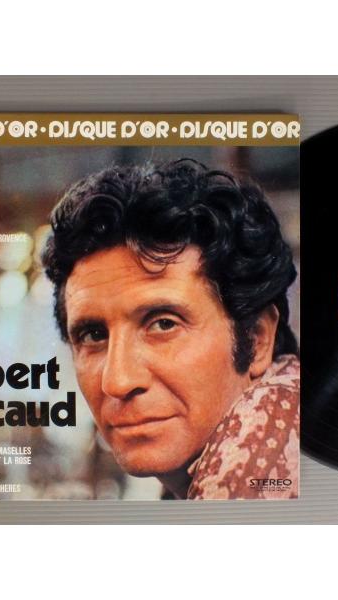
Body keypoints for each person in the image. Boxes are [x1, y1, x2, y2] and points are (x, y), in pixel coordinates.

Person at [42, 158, 300, 499]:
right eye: (94, 335)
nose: (118, 381)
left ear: (256, 339)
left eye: (163, 324)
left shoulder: (263, 462)